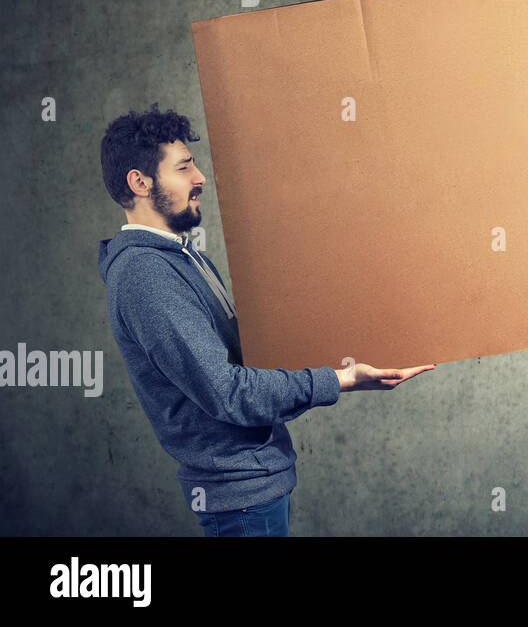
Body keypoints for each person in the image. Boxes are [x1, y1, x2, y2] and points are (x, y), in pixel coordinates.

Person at [97, 103, 435, 536]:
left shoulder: (180, 256)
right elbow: (228, 392)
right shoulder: (147, 275)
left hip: (257, 485)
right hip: (240, 499)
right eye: (183, 167)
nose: (200, 178)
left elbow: (242, 357)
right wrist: (343, 379)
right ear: (140, 182)